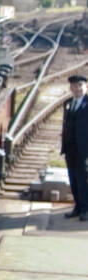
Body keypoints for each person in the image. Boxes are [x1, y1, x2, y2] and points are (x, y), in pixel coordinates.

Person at [61, 74, 88, 220]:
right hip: (70, 149)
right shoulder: (69, 103)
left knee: (84, 179)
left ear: (86, 87)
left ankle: (86, 209)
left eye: (79, 86)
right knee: (73, 179)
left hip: (84, 149)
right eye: (74, 86)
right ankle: (77, 207)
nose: (77, 89)